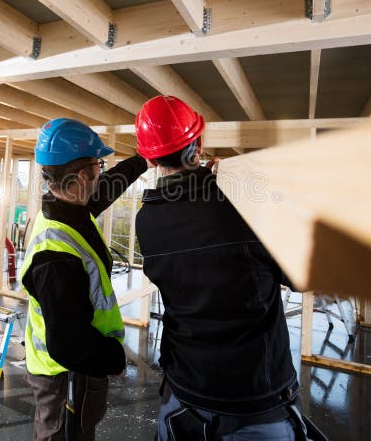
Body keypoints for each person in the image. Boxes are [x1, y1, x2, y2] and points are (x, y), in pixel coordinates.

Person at [134, 96, 310, 441]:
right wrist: (239, 182)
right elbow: (299, 276)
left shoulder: (147, 220)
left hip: (185, 391)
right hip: (254, 398)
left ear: (150, 157)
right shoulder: (245, 205)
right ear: (196, 147)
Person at [20, 118, 148, 441]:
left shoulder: (66, 205)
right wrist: (114, 359)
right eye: (98, 165)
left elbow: (107, 188)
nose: (101, 172)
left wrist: (142, 160)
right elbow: (67, 345)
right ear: (80, 177)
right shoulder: (55, 257)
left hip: (72, 370)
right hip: (61, 375)